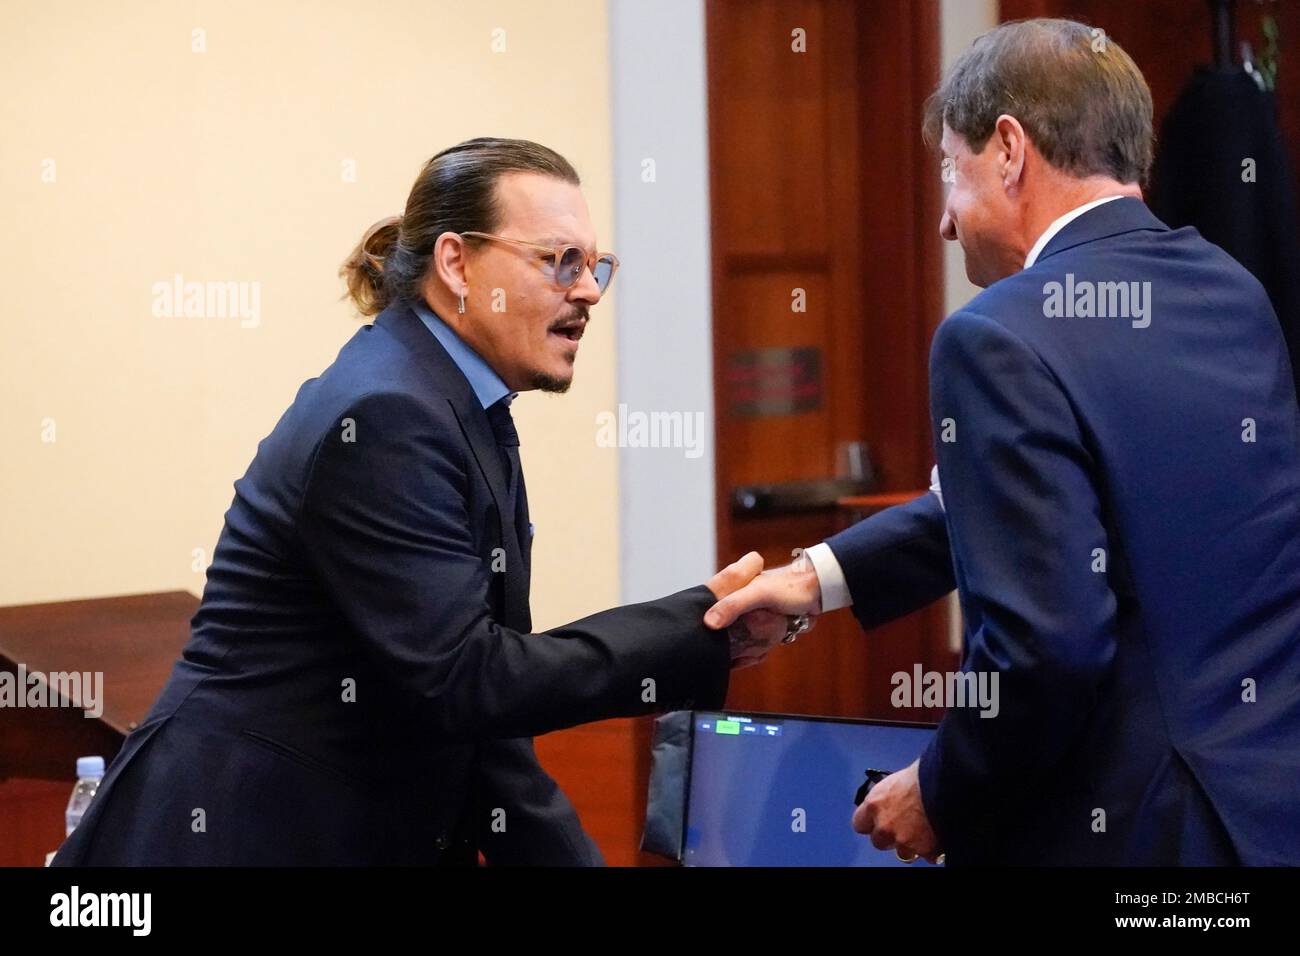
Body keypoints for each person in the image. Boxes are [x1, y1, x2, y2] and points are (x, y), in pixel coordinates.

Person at [53, 137, 789, 867]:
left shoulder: (458, 405)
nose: (589, 291)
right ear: (456, 264)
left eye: (595, 265)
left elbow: (484, 733)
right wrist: (701, 624)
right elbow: (467, 681)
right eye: (558, 261)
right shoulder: (384, 413)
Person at [707, 19, 1300, 866]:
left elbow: (1045, 648)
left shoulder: (998, 335)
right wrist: (814, 579)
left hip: (1126, 833)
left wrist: (943, 787)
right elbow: (1054, 511)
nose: (946, 222)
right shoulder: (1230, 290)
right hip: (1260, 815)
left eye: (952, 170)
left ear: (1010, 151)